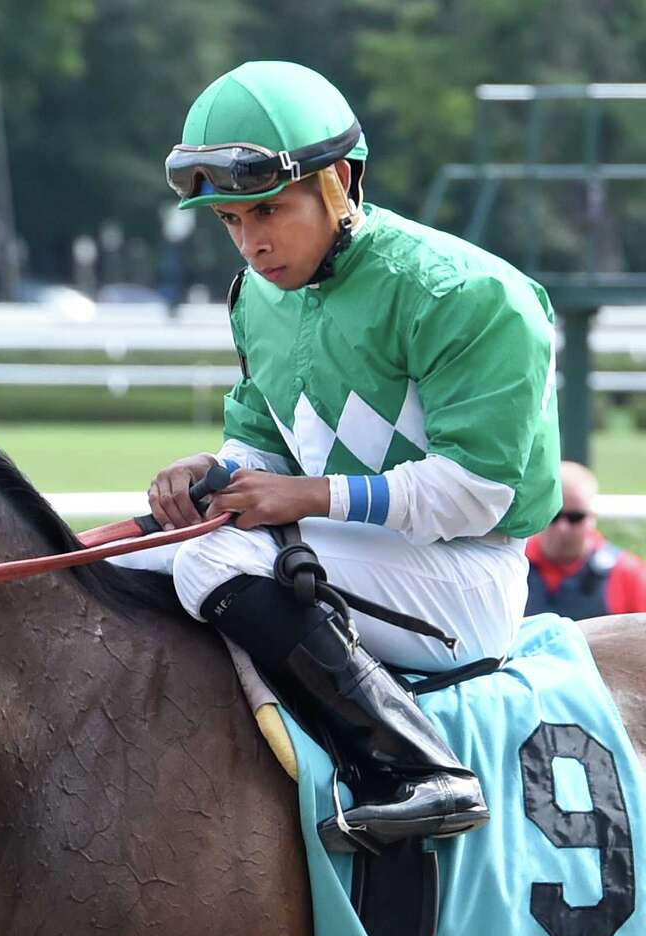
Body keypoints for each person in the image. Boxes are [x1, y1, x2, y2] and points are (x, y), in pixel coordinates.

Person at [127, 60, 561, 852]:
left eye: (269, 209)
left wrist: (306, 496)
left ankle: (419, 767)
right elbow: (262, 441)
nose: (252, 242)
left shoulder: (465, 295)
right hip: (350, 553)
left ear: (340, 181)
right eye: (230, 220)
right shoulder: (258, 297)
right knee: (128, 557)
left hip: (464, 577)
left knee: (212, 560)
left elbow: (477, 491)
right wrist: (213, 471)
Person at [525, 460, 646, 618]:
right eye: (553, 515)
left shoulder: (628, 575)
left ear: (592, 517)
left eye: (575, 517)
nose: (562, 527)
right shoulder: (511, 562)